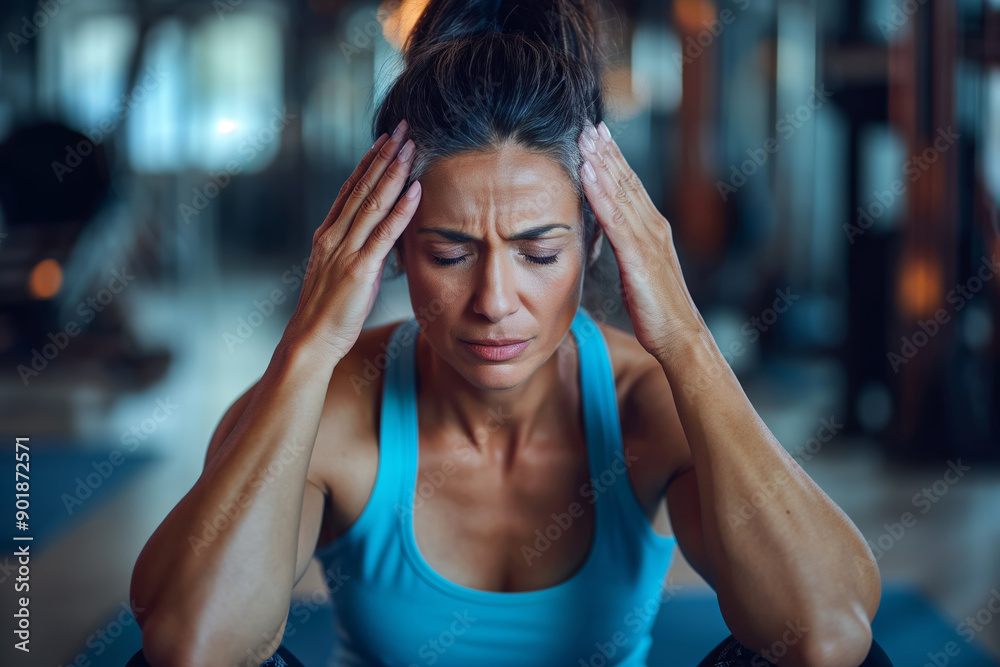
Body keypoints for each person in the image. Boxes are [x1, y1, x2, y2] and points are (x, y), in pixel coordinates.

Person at [129, 1, 895, 665]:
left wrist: (686, 337)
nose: (495, 300)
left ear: (599, 243)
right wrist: (309, 343)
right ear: (391, 248)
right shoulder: (331, 406)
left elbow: (828, 636)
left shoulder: (647, 406)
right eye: (449, 252)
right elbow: (189, 645)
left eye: (539, 251)